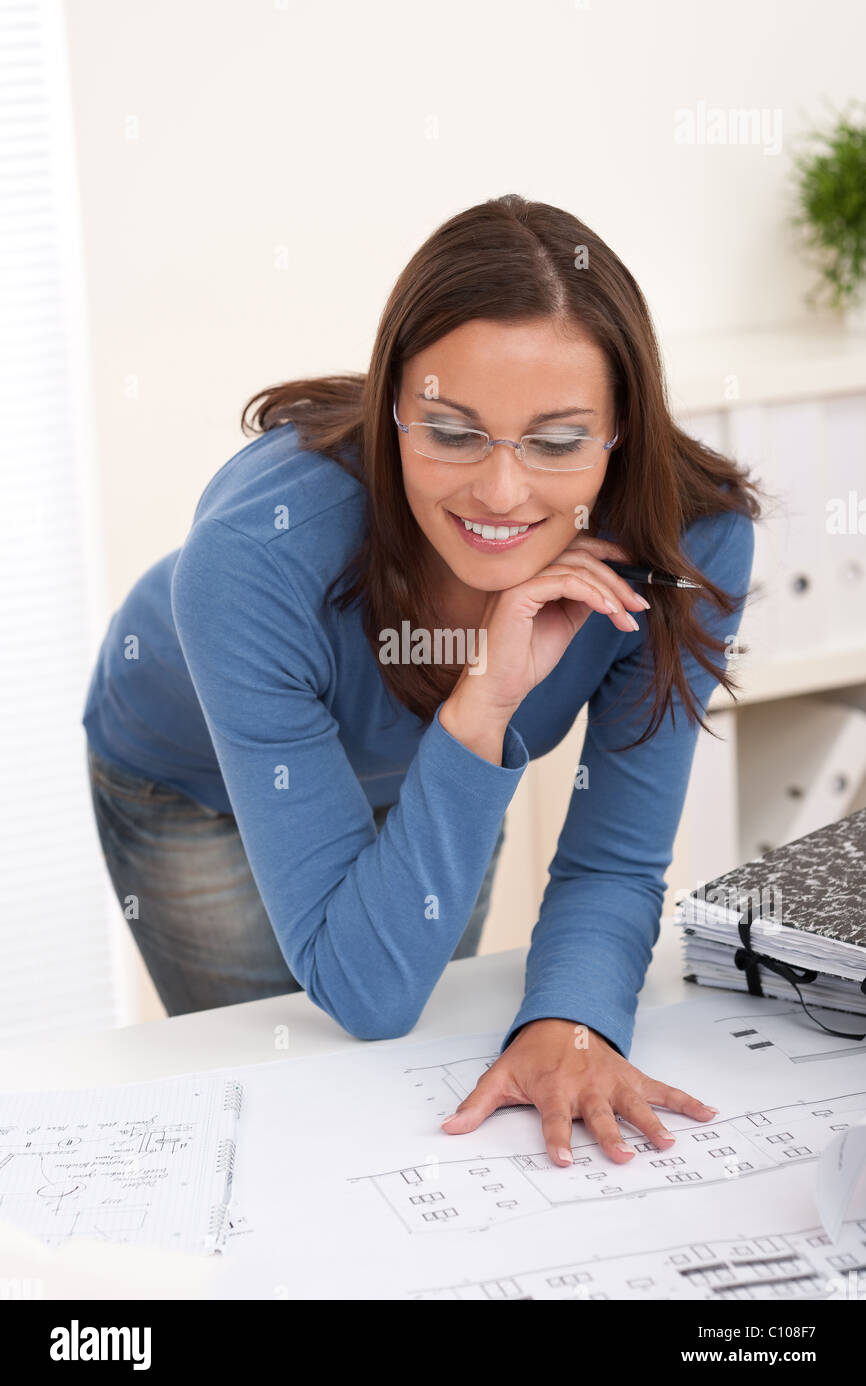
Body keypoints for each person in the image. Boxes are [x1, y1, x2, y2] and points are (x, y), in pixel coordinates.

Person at [82, 193, 759, 1170]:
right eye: (450, 430)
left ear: (622, 430)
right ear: (393, 407)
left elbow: (613, 859)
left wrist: (569, 1021)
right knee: (301, 1089)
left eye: (557, 439)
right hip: (196, 782)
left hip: (431, 769)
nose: (498, 492)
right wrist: (483, 700)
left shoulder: (690, 542)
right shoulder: (252, 556)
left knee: (415, 1072)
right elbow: (365, 993)